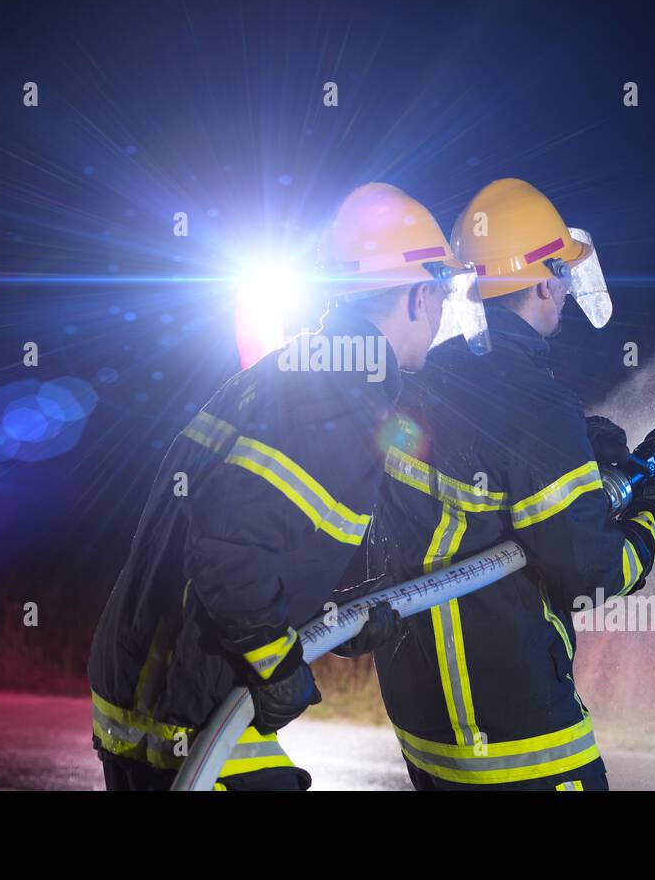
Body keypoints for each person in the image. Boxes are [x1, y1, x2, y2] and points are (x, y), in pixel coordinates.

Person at [87, 182, 488, 790]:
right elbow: (227, 548)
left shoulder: (299, 373)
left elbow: (274, 538)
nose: (439, 316)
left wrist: (344, 614)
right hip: (194, 718)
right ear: (417, 295)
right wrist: (275, 664)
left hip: (155, 703)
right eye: (440, 294)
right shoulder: (341, 401)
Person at [370, 178, 655, 790]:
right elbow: (589, 572)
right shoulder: (535, 404)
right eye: (562, 273)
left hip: (424, 723)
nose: (565, 288)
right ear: (544, 283)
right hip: (517, 732)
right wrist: (654, 518)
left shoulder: (428, 375)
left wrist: (580, 448)